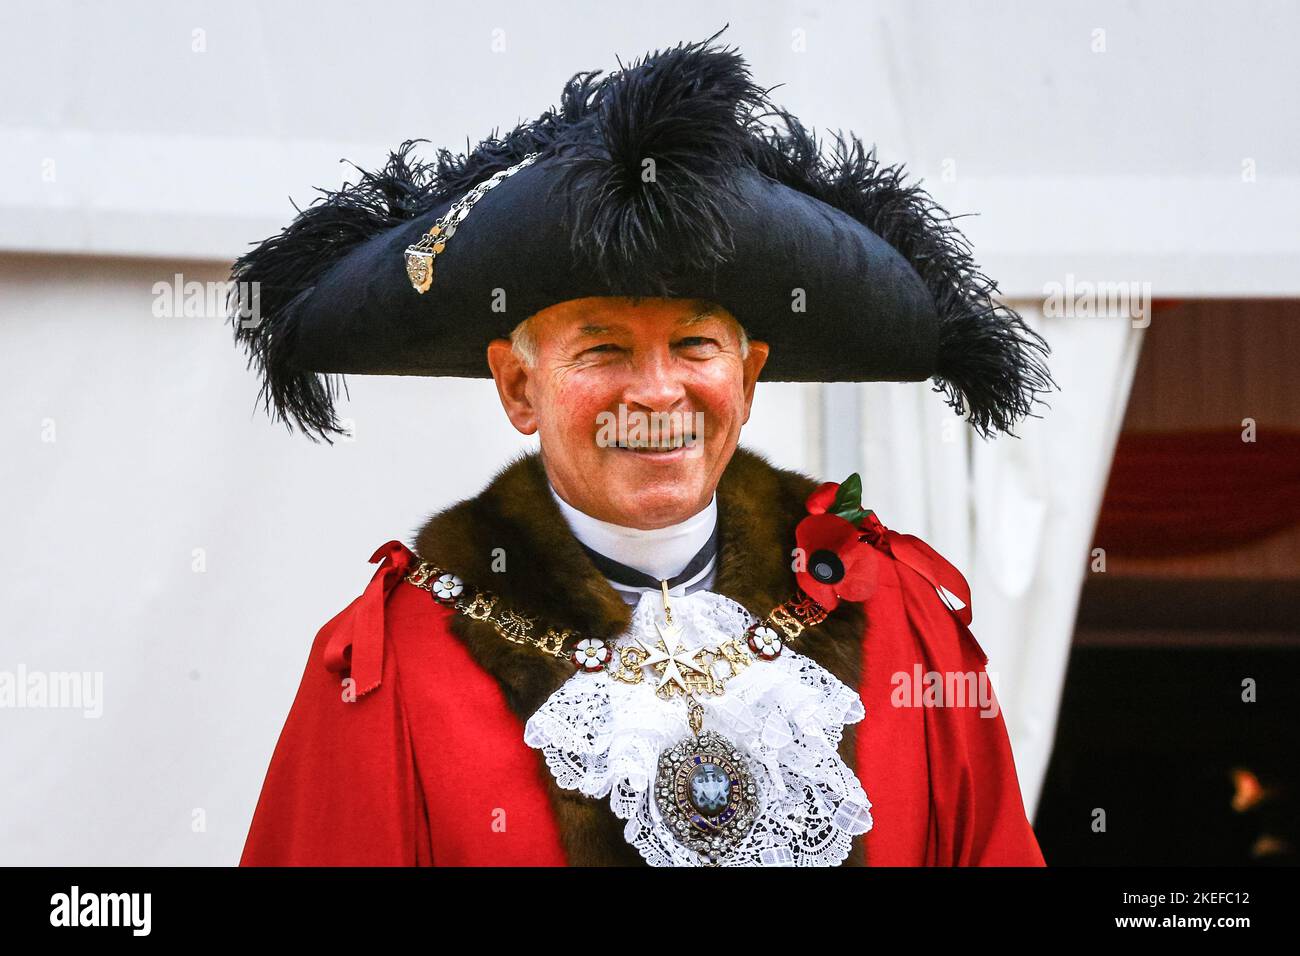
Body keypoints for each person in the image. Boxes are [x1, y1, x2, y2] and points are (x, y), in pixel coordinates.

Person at [231, 29, 1055, 867]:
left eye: (695, 345)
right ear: (520, 388)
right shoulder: (389, 667)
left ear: (749, 377)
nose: (658, 392)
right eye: (603, 349)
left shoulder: (906, 623)